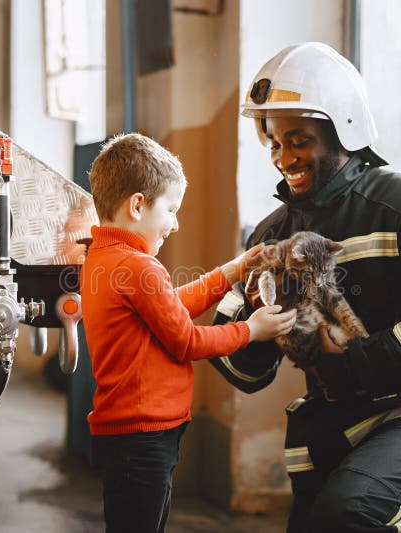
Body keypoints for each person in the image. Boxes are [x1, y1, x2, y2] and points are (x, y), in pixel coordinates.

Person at [210, 42, 401, 532]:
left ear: (344, 129)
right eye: (274, 141)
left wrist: (358, 365)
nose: (283, 156)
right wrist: (249, 321)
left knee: (350, 516)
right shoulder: (269, 237)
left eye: (299, 139)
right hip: (333, 426)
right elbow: (245, 372)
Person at [80, 132, 297, 533]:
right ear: (138, 205)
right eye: (171, 209)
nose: (175, 224)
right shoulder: (139, 267)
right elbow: (186, 340)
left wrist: (230, 272)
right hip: (143, 436)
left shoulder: (103, 257)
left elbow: (168, 308)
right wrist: (250, 330)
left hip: (127, 433)